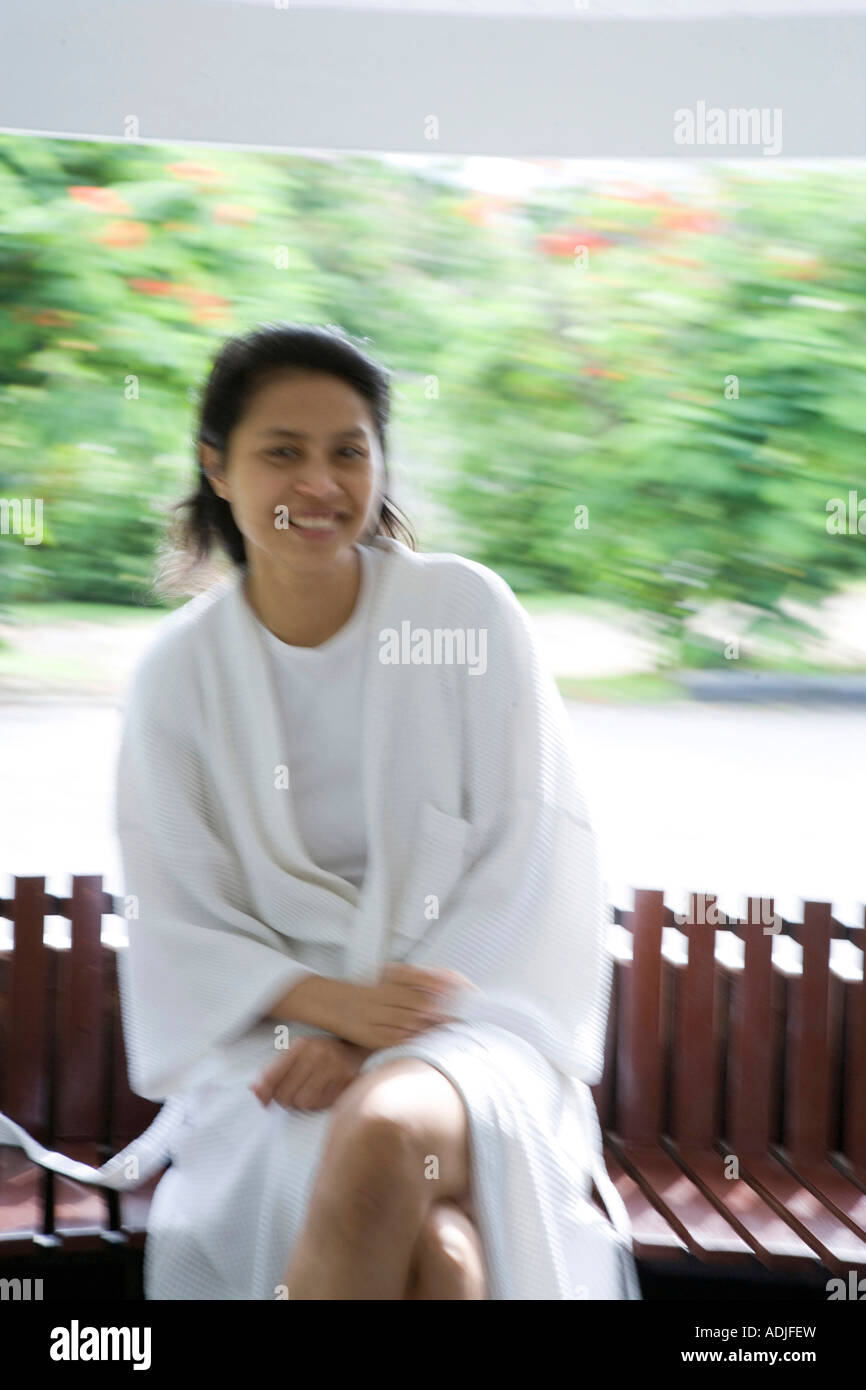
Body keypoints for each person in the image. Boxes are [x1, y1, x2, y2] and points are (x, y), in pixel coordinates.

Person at [109, 320, 641, 1301]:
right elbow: (174, 914)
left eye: (348, 452)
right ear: (216, 466)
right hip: (268, 1051)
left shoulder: (464, 615)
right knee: (442, 1256)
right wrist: (326, 1006)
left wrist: (370, 1034)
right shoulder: (177, 674)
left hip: (475, 1028)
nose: (319, 483)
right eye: (283, 452)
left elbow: (530, 867)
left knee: (388, 1131)